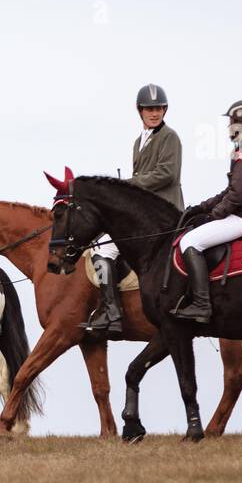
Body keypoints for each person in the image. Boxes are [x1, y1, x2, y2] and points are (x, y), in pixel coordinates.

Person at [83, 83, 184, 337]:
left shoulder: (169, 137)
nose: (154, 113)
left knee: (106, 249)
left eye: (159, 108)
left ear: (165, 110)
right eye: (149, 109)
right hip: (144, 215)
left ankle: (114, 311)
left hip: (164, 214)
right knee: (101, 249)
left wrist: (127, 185)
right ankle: (111, 310)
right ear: (140, 111)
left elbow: (167, 174)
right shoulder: (138, 142)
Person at [171, 99, 242, 323]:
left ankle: (201, 305)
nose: (229, 126)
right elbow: (231, 189)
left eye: (231, 121)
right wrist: (203, 207)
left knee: (190, 241)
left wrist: (214, 215)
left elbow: (238, 195)